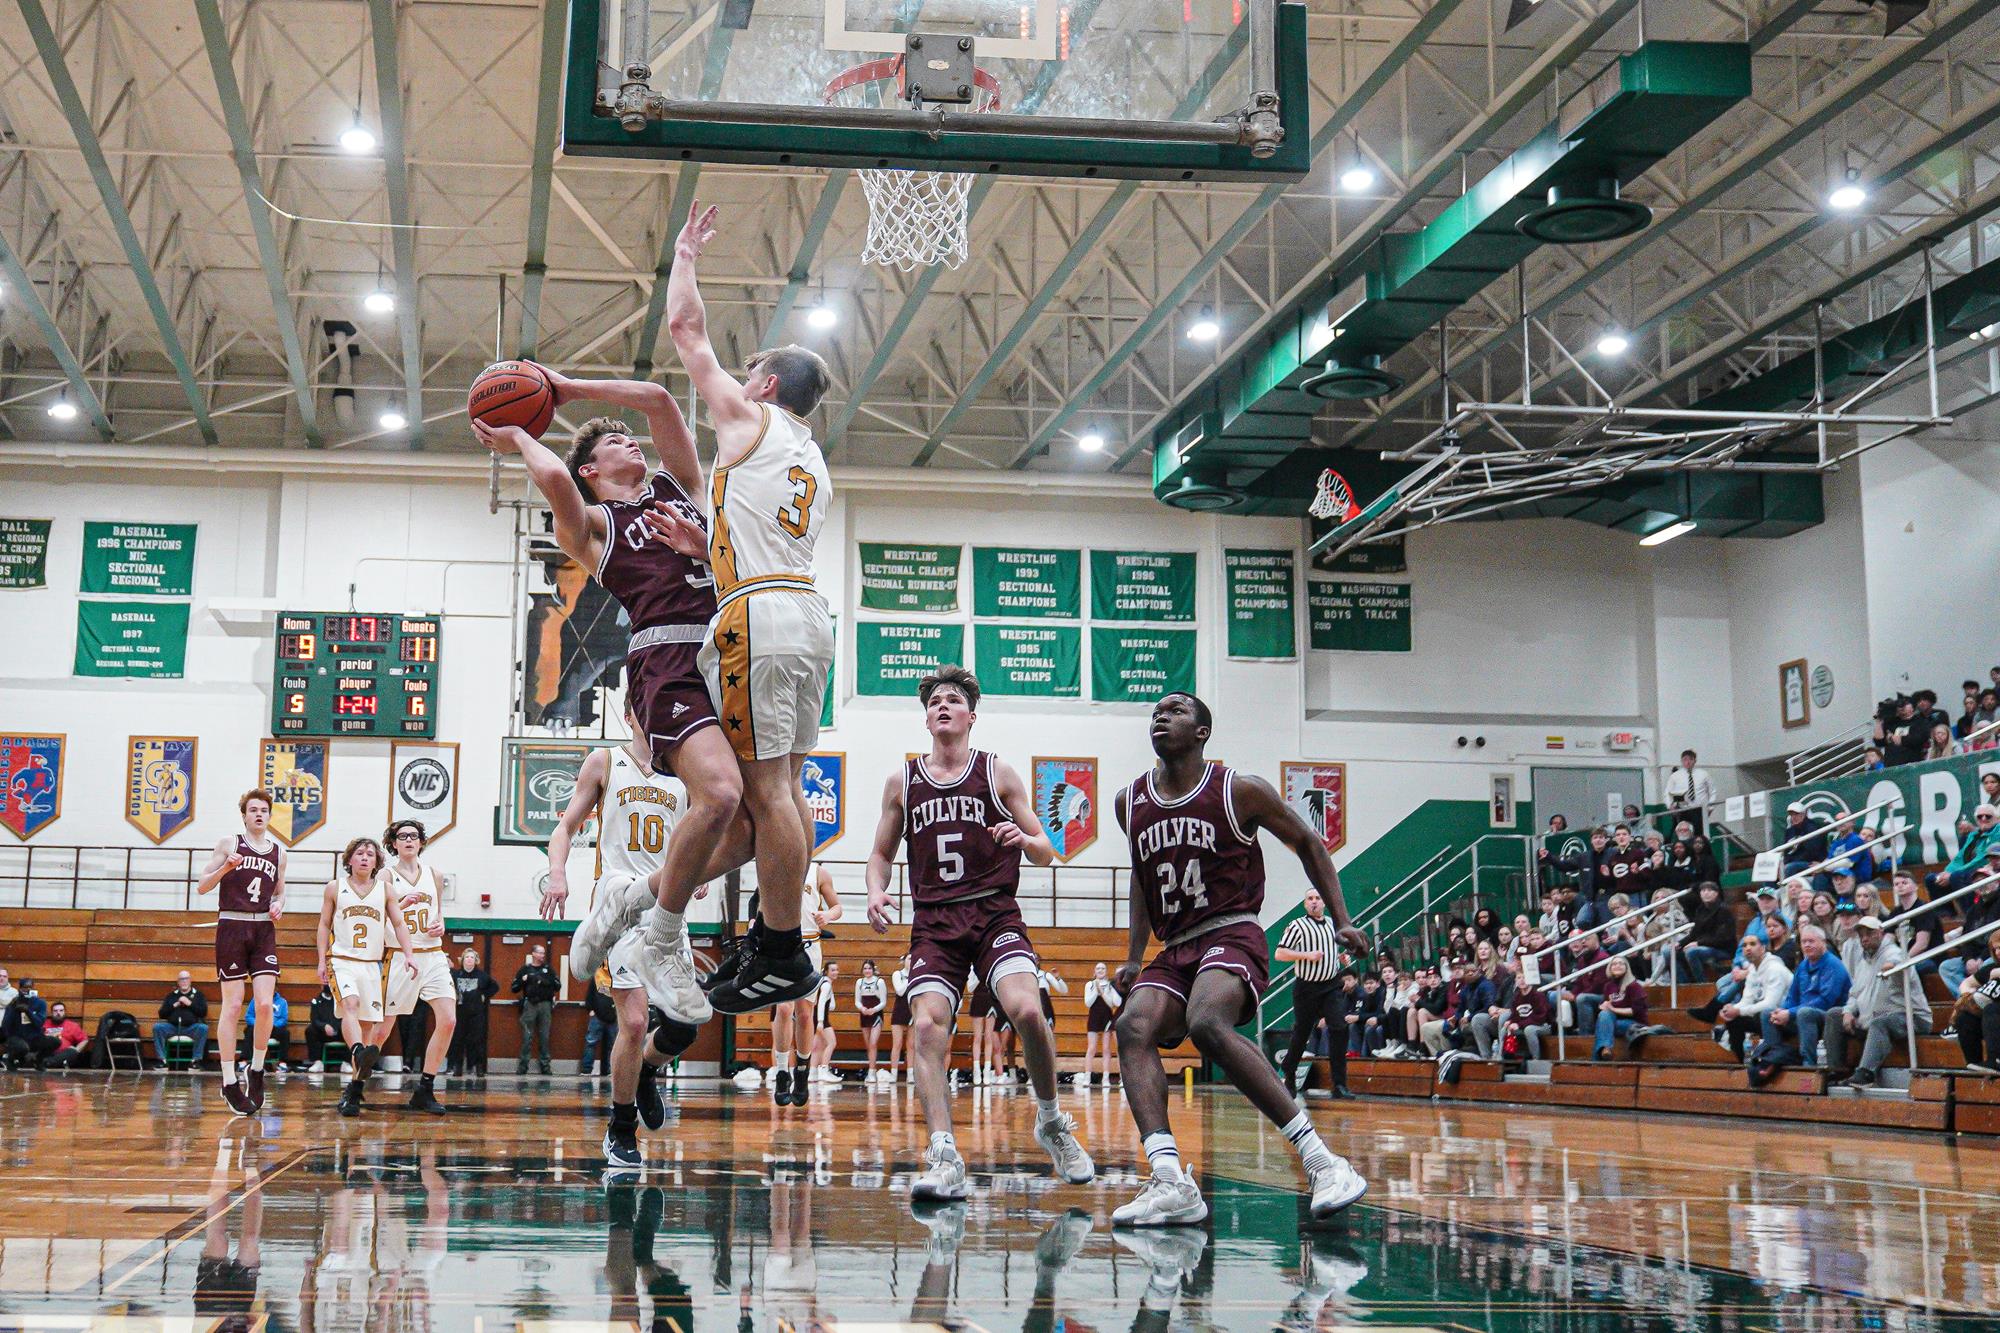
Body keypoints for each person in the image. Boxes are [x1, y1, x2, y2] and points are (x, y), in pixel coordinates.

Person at [474, 365, 742, 1029]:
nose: (632, 443)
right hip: (667, 659)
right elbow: (557, 480)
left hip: (730, 654)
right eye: (613, 443)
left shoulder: (681, 489)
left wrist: (565, 387)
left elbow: (657, 400)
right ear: (593, 470)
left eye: (631, 439)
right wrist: (518, 434)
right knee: (723, 794)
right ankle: (660, 938)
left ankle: (631, 901)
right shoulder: (594, 524)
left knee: (762, 826)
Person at [635, 199, 839, 1019]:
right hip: (800, 613)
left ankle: (784, 945)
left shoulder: (750, 418)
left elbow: (687, 332)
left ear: (763, 385)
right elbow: (755, 546)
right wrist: (705, 548)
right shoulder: (810, 461)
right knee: (781, 787)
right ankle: (776, 935)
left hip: (759, 622)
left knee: (768, 793)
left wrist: (684, 253)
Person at [1110, 691, 1369, 1226]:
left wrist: (1341, 918)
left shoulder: (1238, 789)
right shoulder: (1128, 801)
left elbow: (1308, 842)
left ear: (1203, 732)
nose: (1162, 715)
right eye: (1156, 710)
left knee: (1207, 1022)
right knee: (1132, 1025)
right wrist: (1135, 956)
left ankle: (1323, 1162)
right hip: (1176, 945)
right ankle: (1169, 1180)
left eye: (1177, 709)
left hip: (1232, 930)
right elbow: (1141, 878)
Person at [864, 663, 1093, 1202]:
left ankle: (1051, 1121)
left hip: (994, 915)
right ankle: (943, 1154)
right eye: (934, 701)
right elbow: (880, 853)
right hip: (935, 924)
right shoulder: (903, 781)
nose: (942, 705)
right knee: (926, 1028)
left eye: (952, 700)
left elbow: (1045, 852)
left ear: (971, 716)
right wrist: (876, 890)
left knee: (1030, 1010)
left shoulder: (997, 773)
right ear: (926, 719)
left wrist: (1022, 837)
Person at [539, 711, 701, 1164]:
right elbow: (564, 827)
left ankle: (647, 1070)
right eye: (644, 704)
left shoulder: (686, 768)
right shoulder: (605, 761)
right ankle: (621, 1125)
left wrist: (701, 867)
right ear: (630, 713)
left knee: (684, 1027)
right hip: (618, 907)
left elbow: (702, 833)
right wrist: (556, 873)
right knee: (632, 1022)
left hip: (669, 909)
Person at [194, 789, 287, 1115]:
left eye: (264, 810)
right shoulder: (229, 844)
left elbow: (279, 893)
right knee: (232, 1006)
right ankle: (229, 1080)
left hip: (263, 929)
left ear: (269, 815)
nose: (259, 814)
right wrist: (225, 870)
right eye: (253, 810)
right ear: (244, 815)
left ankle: (257, 1069)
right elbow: (202, 885)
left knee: (265, 1005)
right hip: (232, 926)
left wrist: (278, 905)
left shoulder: (279, 852)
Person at [316, 835, 419, 1116]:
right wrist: (321, 960)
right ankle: (359, 1050)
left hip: (372, 964)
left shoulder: (385, 889)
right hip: (342, 960)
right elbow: (324, 925)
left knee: (370, 1029)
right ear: (349, 859)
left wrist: (409, 954)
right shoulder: (334, 887)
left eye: (370, 854)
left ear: (377, 862)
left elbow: (399, 923)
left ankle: (353, 1091)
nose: (364, 857)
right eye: (359, 853)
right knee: (349, 1005)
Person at [368, 820, 456, 1113]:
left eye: (413, 836)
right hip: (400, 956)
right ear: (393, 843)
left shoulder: (435, 875)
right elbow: (374, 919)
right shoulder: (385, 876)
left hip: (433, 955)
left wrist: (440, 925)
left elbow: (440, 914)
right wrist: (402, 904)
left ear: (421, 842)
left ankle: (426, 1088)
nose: (408, 840)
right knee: (382, 1030)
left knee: (448, 1020)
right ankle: (355, 1086)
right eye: (402, 836)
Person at [766, 863, 841, 1104]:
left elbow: (837, 907)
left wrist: (827, 916)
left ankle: (802, 1071)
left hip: (810, 946)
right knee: (784, 1008)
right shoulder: (775, 863)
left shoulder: (819, 872)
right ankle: (780, 1071)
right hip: (782, 945)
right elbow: (761, 901)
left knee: (805, 1013)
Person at [1830, 916, 1929, 1087]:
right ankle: (1836, 1071)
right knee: (1834, 1015)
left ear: (1881, 932)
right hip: (1870, 1017)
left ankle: (1866, 1073)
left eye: (1869, 933)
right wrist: (1848, 1011)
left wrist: (1892, 966)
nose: (1865, 938)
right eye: (1861, 934)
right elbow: (1855, 993)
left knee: (1880, 1022)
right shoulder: (1863, 961)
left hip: (1910, 1017)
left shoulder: (1893, 952)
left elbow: (1898, 962)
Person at [1275, 888, 1348, 1097]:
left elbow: (1331, 950)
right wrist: (1306, 955)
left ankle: (1339, 1084)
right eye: (1310, 899)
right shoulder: (1297, 925)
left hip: (1331, 985)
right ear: (1305, 904)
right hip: (1307, 987)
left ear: (1324, 902)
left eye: (1318, 898)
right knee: (1302, 1033)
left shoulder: (1334, 924)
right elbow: (1280, 953)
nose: (1314, 902)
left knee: (1339, 1027)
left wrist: (1340, 959)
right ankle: (1289, 1074)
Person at [1764, 923, 1848, 1066]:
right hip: (1803, 1013)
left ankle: (1808, 1063)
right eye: (1804, 942)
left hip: (1828, 1017)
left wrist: (1790, 1013)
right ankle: (1774, 1059)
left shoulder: (1834, 965)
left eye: (1811, 941)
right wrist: (1783, 1011)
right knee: (1767, 1014)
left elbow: (1825, 1001)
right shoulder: (1803, 966)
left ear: (1823, 943)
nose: (1807, 945)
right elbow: (1792, 997)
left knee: (1805, 1013)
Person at [1714, 934, 1791, 1061]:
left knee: (1762, 1014)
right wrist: (1732, 1008)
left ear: (1763, 948)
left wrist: (1739, 1011)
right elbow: (1747, 1000)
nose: (1748, 948)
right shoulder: (1753, 970)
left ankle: (1771, 1060)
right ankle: (1738, 1062)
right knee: (1733, 1019)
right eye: (1744, 945)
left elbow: (1771, 1004)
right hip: (1765, 1017)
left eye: (1753, 944)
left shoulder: (1775, 968)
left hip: (1784, 1018)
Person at [1950, 928, 2000, 1074]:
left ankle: (1996, 1061)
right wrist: (1970, 995)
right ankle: (1973, 1063)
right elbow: (1965, 984)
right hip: (1994, 1023)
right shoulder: (1991, 968)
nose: (1997, 953)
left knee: (1992, 1009)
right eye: (1995, 949)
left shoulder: (1994, 971)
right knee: (1965, 1017)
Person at [448, 949, 499, 1076]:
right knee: (458, 1040)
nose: (469, 959)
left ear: (475, 961)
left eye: (472, 957)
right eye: (467, 957)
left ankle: (479, 1067)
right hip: (460, 1012)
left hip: (476, 1013)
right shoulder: (456, 975)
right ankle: (458, 1067)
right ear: (463, 960)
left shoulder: (482, 975)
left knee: (477, 1040)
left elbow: (495, 986)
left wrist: (484, 995)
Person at [512, 945, 560, 1075]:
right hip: (530, 1004)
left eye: (543, 953)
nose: (542, 955)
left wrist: (542, 980)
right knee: (527, 1037)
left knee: (544, 1036)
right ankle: (523, 1066)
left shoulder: (548, 969)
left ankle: (545, 1066)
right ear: (533, 953)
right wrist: (524, 980)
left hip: (545, 1004)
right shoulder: (525, 969)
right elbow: (514, 988)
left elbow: (557, 985)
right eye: (539, 953)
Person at [1591, 957, 1649, 1059]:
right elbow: (1605, 1005)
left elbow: (1635, 1011)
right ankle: (1605, 1049)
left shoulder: (1634, 986)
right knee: (1604, 1015)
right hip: (1613, 1022)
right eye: (1614, 964)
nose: (1617, 965)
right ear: (1610, 968)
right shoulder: (1608, 986)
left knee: (1603, 1026)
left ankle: (1598, 1058)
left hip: (1635, 1023)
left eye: (1621, 963)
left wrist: (1612, 1009)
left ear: (1626, 968)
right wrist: (1603, 1006)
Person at [153, 970, 209, 1068]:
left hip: (191, 1028)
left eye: (186, 979)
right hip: (172, 1027)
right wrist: (175, 1005)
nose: (184, 981)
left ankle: (196, 1060)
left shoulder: (198, 995)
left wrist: (189, 1004)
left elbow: (203, 1012)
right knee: (157, 1027)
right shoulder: (172, 996)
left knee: (203, 1028)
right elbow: (162, 1014)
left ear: (190, 981)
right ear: (178, 982)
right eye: (181, 979)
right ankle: (162, 1060)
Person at [1081, 963, 1122, 1086]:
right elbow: (1088, 1003)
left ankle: (1106, 1077)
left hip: (1106, 1017)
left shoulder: (1110, 985)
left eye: (1103, 968)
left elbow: (1115, 1003)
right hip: (1094, 1017)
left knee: (1106, 1049)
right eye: (1098, 968)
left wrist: (1103, 992)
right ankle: (1087, 1077)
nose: (1100, 970)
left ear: (1106, 971)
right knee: (1092, 1048)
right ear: (1094, 971)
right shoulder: (1089, 984)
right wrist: (1096, 991)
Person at [807, 961, 841, 1085]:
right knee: (832, 1043)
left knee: (817, 1047)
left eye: (837, 970)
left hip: (816, 1018)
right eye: (833, 970)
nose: (835, 972)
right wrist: (821, 1022)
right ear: (826, 971)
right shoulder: (826, 985)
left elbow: (831, 1006)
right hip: (821, 1019)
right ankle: (824, 1070)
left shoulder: (823, 983)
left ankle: (812, 1072)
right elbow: (821, 1003)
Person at [854, 960, 888, 1083]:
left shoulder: (880, 982)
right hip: (864, 1014)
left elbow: (884, 1002)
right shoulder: (859, 982)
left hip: (876, 1015)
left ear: (873, 969)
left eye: (869, 968)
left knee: (873, 1043)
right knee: (868, 1044)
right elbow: (857, 1000)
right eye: (865, 968)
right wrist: (862, 1008)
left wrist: (874, 1010)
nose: (867, 971)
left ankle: (872, 1071)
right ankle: (871, 1068)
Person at [1665, 750, 1716, 829]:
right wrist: (1670, 806)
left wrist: (1710, 808)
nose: (1688, 762)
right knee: (1685, 831)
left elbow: (1712, 791)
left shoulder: (1704, 774)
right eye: (1685, 759)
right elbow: (1667, 792)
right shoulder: (1675, 776)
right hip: (1683, 810)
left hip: (1701, 809)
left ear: (1695, 761)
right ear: (1681, 761)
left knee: (1701, 833)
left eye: (1690, 759)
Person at [887, 953, 913, 1084]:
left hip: (912, 1011)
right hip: (899, 1011)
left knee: (911, 1045)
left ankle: (910, 1074)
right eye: (909, 958)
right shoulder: (897, 974)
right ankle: (893, 1073)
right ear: (904, 961)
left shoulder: (917, 975)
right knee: (897, 1044)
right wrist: (911, 978)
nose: (911, 961)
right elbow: (900, 991)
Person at [303, 985, 342, 1070]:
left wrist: (335, 1027)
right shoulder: (316, 1001)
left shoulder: (340, 1001)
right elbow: (314, 1019)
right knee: (310, 1030)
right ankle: (317, 1062)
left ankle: (347, 1062)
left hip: (339, 1032)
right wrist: (324, 1026)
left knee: (349, 1030)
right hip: (323, 1034)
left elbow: (344, 1017)